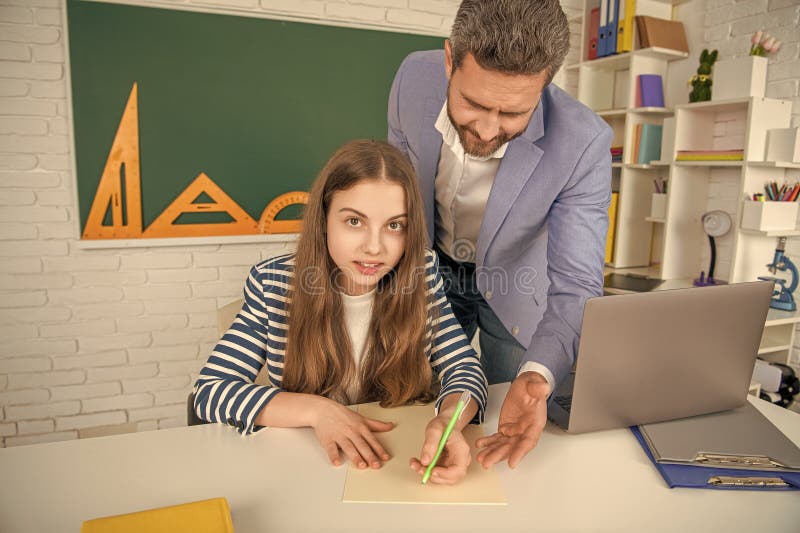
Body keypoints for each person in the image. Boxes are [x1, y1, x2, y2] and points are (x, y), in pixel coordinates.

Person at [387, 0, 613, 469]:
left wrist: (538, 376)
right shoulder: (412, 78)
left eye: (512, 113)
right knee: (418, 416)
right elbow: (394, 191)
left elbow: (577, 284)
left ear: (546, 82)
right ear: (450, 60)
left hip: (517, 289)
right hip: (429, 270)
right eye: (472, 103)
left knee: (510, 425)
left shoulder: (584, 141)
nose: (487, 130)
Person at [193, 139, 488, 485]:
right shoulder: (274, 285)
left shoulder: (420, 275)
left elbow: (464, 368)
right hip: (308, 466)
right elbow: (210, 391)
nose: (375, 247)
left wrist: (449, 418)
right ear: (323, 220)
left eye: (395, 225)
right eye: (354, 222)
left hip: (393, 462)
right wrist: (318, 410)